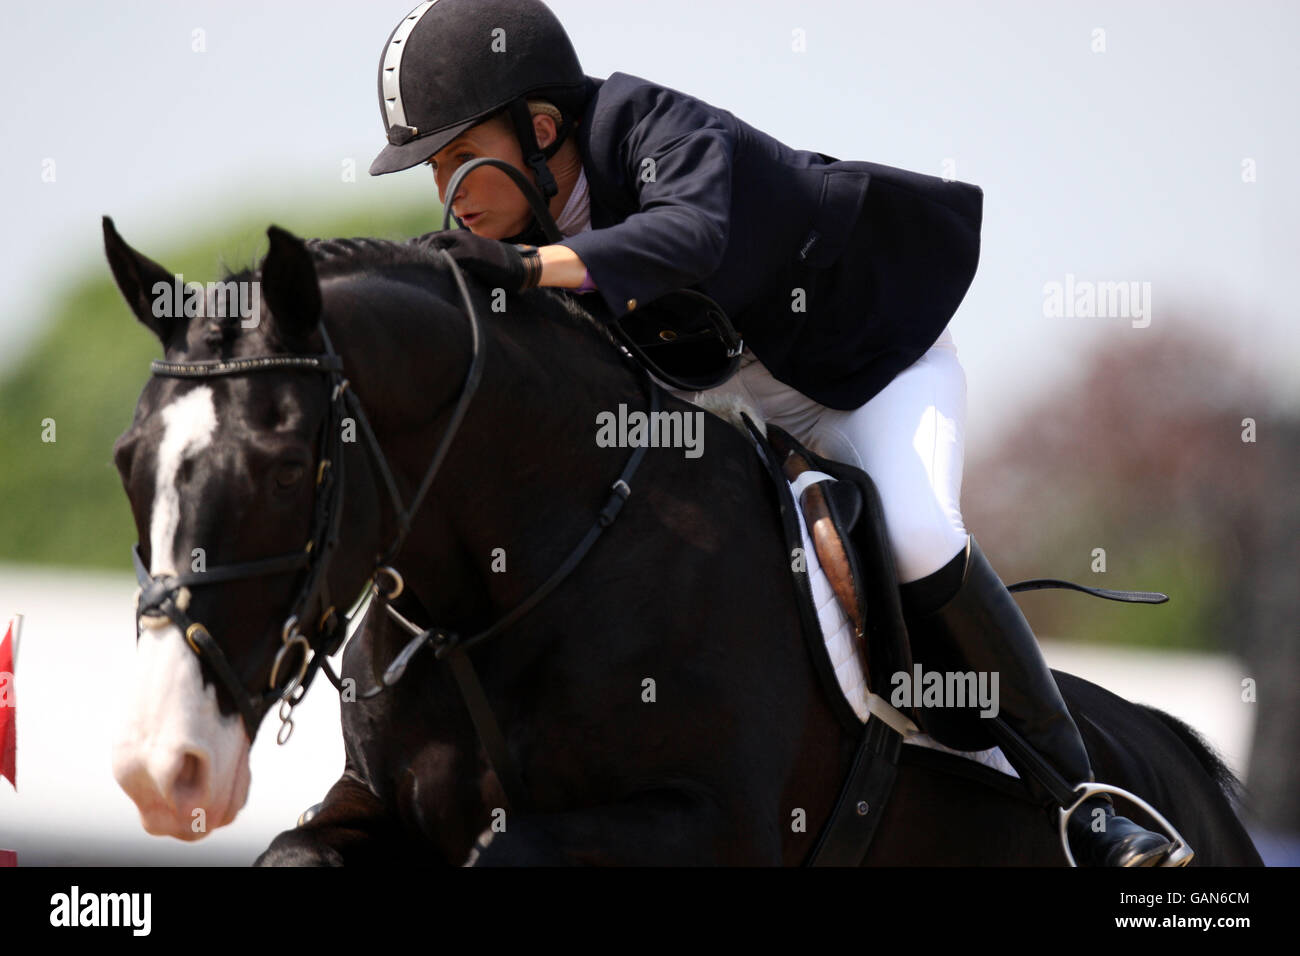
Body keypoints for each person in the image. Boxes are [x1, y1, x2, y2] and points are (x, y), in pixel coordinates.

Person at [368, 0, 1185, 867]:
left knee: (917, 534)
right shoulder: (519, 225)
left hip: (873, 374)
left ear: (539, 130)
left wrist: (528, 269)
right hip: (731, 406)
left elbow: (690, 235)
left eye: (460, 155)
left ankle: (1084, 801)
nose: (449, 190)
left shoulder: (654, 128)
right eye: (434, 168)